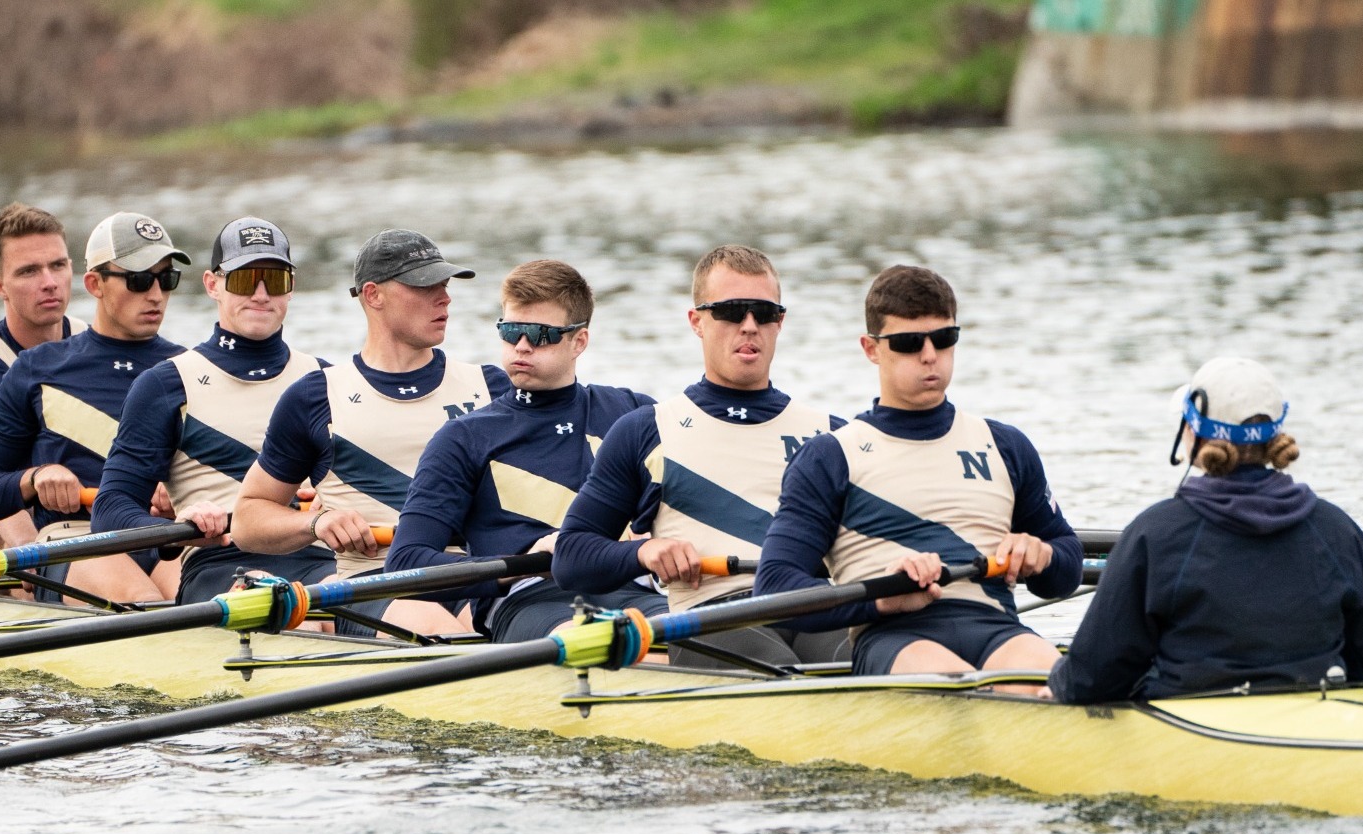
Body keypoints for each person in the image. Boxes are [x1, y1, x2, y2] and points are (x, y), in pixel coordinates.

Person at [754, 265, 1080, 689]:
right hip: (894, 637)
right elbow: (776, 587)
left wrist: (1043, 556)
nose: (930, 355)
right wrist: (881, 597)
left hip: (997, 628)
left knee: (1055, 683)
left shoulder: (1004, 444)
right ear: (871, 349)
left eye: (944, 339)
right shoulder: (831, 457)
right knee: (956, 688)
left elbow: (1068, 565)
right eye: (909, 343)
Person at [553, 245, 842, 671]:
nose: (749, 326)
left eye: (763, 313)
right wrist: (644, 553)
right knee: (781, 669)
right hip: (712, 612)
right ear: (697, 322)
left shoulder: (833, 435)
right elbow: (572, 557)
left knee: (867, 654)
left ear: (780, 322)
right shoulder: (647, 431)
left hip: (816, 603)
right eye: (730, 311)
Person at [1051, 357, 1363, 701]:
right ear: (1276, 437)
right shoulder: (1336, 528)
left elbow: (1091, 680)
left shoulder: (1153, 534)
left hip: (1190, 728)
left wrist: (1055, 678)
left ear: (1194, 432)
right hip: (1319, 714)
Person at [231, 228, 511, 635]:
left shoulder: (491, 386)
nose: (444, 298)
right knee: (442, 631)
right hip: (374, 581)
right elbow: (246, 520)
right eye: (424, 286)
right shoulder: (316, 396)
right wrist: (314, 525)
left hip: (477, 573)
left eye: (445, 285)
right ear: (373, 295)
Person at [385, 259, 662, 641]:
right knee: (602, 639)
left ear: (579, 341)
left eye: (540, 334)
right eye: (511, 331)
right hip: (530, 598)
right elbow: (404, 564)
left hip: (635, 590)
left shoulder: (634, 414)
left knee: (688, 636)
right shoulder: (463, 439)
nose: (522, 346)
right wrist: (518, 565)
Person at [91, 217, 336, 605]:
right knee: (277, 599)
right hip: (220, 563)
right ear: (212, 285)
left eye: (274, 280)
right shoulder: (166, 385)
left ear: (291, 289)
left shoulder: (326, 380)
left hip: (322, 559)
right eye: (243, 279)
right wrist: (178, 529)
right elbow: (110, 510)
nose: (260, 294)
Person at [0, 212, 190, 604]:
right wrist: (33, 478)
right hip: (72, 538)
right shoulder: (37, 369)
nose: (155, 294)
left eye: (166, 280)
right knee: (146, 604)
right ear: (95, 284)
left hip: (164, 535)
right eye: (138, 280)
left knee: (203, 601)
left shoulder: (187, 369)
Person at [0, 203, 87, 548]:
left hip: (77, 527)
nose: (50, 283)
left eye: (58, 266)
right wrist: (41, 564)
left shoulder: (91, 342)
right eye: (29, 272)